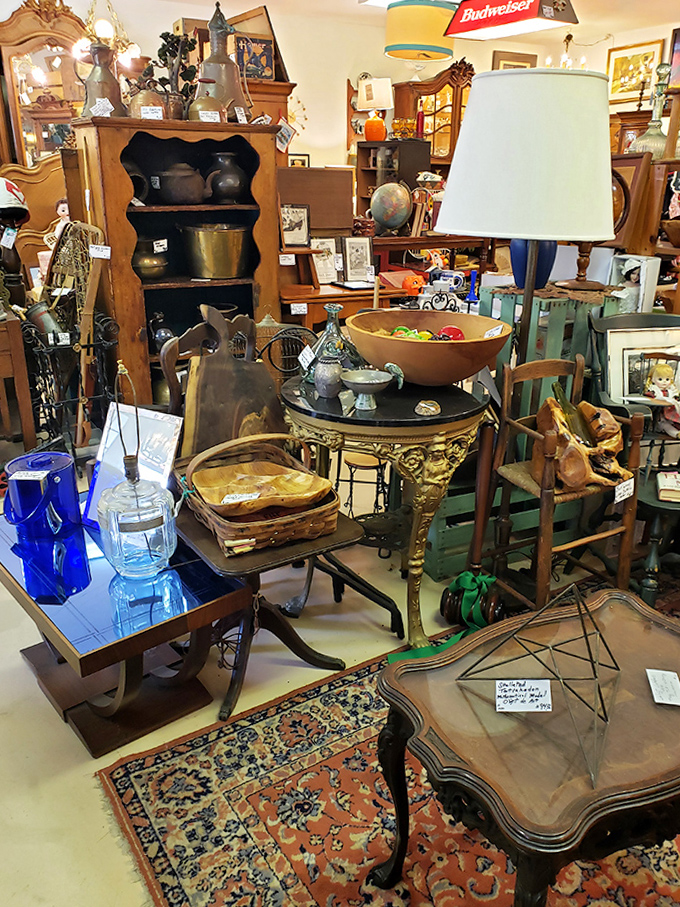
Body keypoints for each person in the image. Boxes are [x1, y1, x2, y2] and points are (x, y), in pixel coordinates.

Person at [645, 361, 680, 437]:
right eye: (660, 379)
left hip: (672, 414)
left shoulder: (672, 391)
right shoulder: (654, 391)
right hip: (659, 417)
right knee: (665, 425)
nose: (664, 382)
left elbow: (676, 399)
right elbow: (650, 399)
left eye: (667, 379)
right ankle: (676, 434)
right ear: (652, 379)